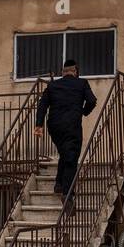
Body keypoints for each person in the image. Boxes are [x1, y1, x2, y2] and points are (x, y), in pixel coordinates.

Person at [34, 58, 98, 199]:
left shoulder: (52, 86)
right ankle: (67, 194)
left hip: (55, 127)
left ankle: (59, 183)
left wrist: (39, 125)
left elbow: (42, 105)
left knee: (65, 152)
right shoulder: (82, 83)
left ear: (63, 72)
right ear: (75, 71)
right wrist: (84, 111)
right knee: (71, 157)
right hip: (72, 126)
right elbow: (92, 101)